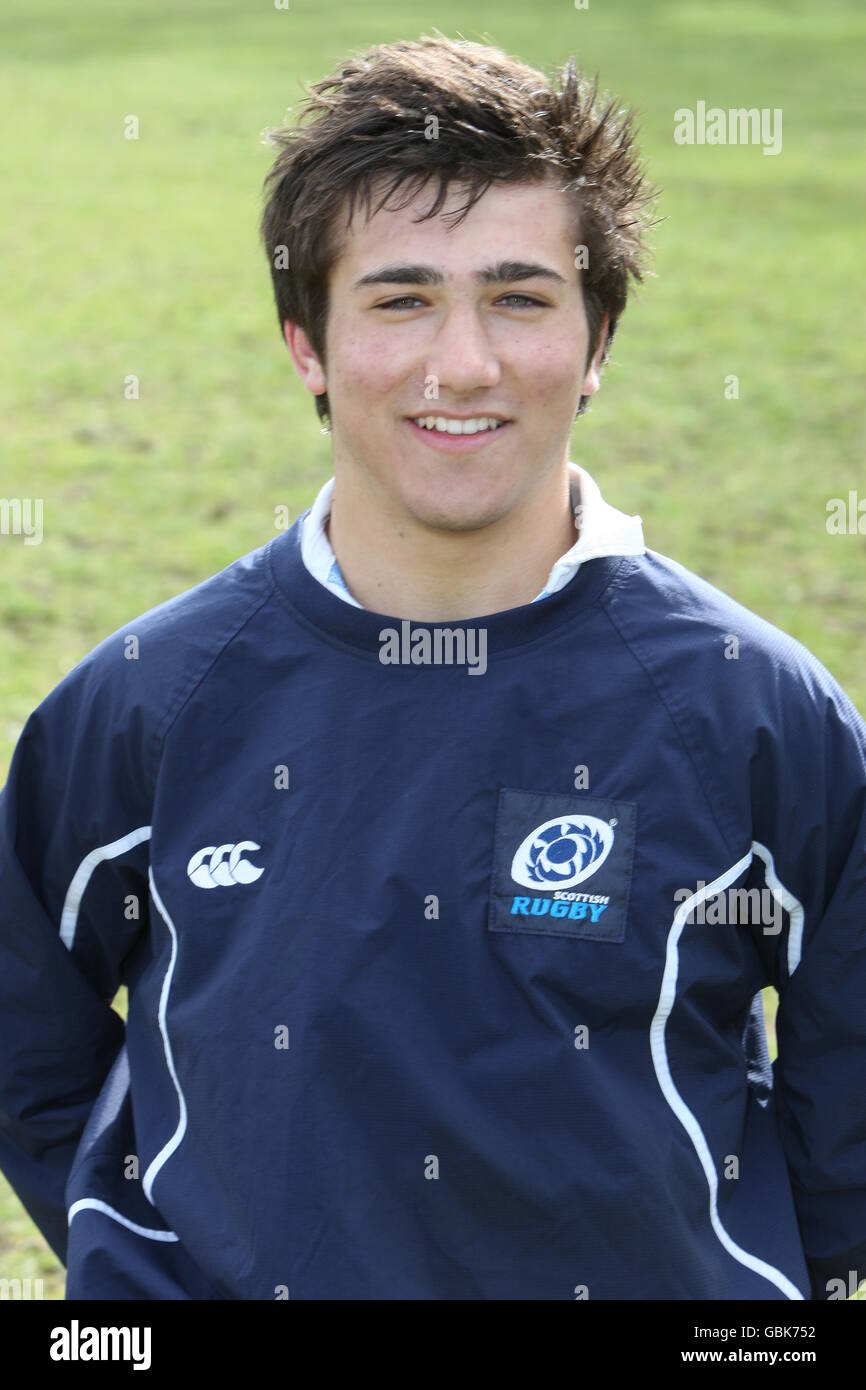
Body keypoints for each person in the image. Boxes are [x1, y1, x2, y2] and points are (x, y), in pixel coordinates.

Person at [1, 34, 864, 1301]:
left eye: (518, 298)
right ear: (305, 341)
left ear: (598, 335)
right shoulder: (143, 704)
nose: (461, 364)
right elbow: (31, 1037)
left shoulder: (749, 710)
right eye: (400, 299)